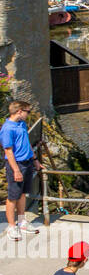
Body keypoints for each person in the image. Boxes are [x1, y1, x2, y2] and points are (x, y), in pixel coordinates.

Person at [3, 100, 40, 242]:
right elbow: (8, 151)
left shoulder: (22, 124)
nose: (28, 114)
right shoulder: (7, 128)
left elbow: (27, 143)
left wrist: (35, 159)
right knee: (13, 196)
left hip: (28, 162)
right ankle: (12, 226)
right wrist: (16, 170)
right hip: (16, 165)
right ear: (19, 111)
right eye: (27, 111)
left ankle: (22, 221)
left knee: (23, 193)